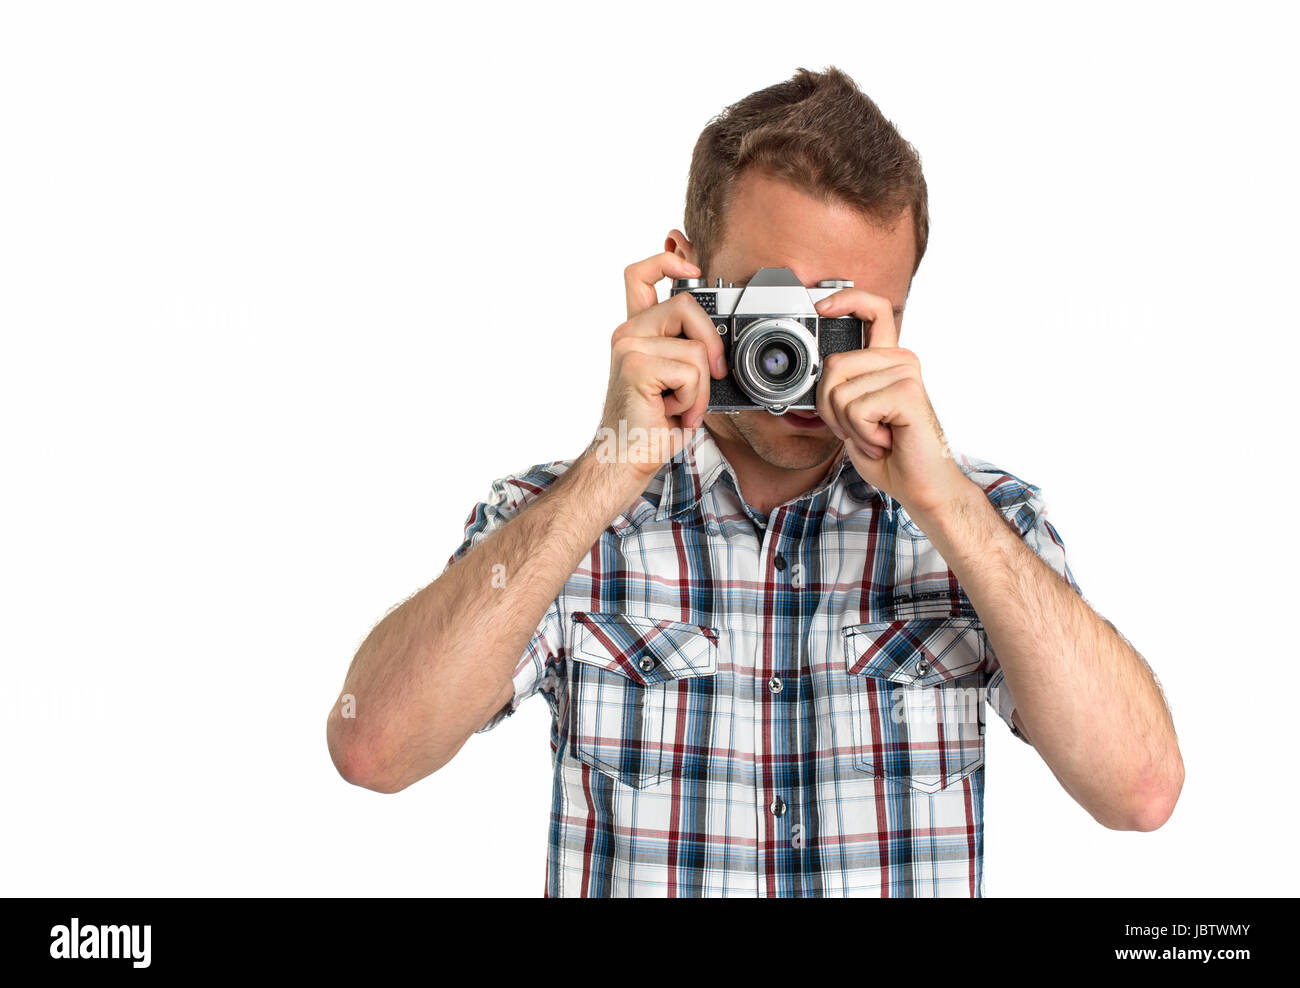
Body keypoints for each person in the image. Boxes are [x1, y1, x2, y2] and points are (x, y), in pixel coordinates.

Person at [326, 65, 1184, 896]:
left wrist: (947, 504)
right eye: (778, 312)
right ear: (684, 275)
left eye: (845, 318)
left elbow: (1142, 792)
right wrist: (605, 475)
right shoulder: (555, 520)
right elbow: (373, 747)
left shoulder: (985, 522)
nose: (800, 360)